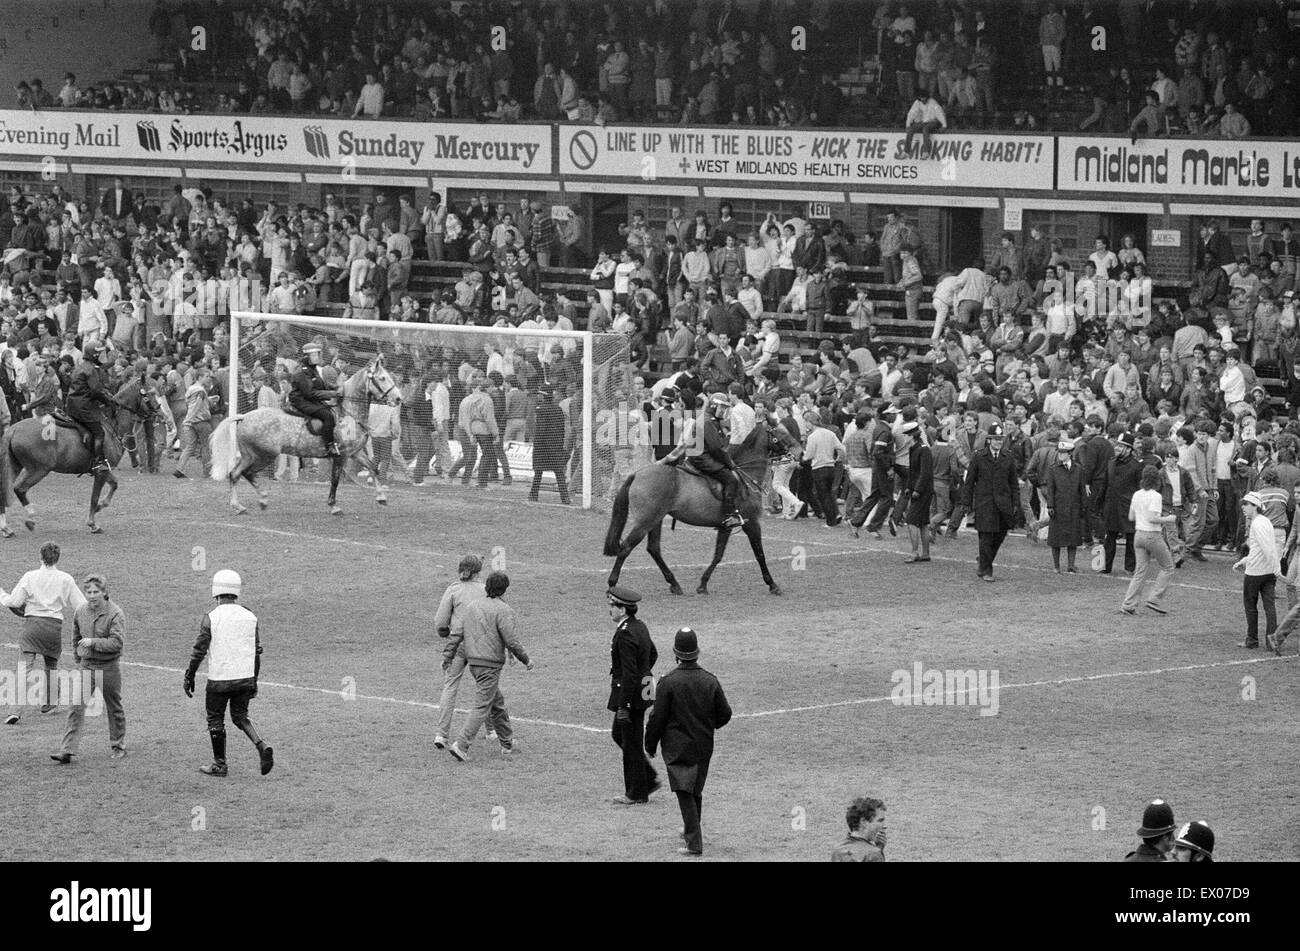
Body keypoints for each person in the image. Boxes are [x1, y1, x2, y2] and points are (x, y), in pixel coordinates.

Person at [644, 627, 732, 857]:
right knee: (695, 790)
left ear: (676, 653)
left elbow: (657, 718)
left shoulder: (668, 682)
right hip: (703, 744)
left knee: (685, 791)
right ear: (697, 652)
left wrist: (650, 745)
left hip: (677, 746)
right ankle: (691, 830)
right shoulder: (710, 680)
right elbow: (725, 714)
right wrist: (707, 726)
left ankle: (694, 843)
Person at [183, 570, 275, 777]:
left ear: (216, 592)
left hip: (219, 680)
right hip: (245, 677)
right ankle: (261, 745)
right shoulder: (250, 616)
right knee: (240, 716)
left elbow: (199, 650)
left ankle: (220, 764)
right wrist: (254, 681)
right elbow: (256, 651)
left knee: (215, 719)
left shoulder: (211, 618)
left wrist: (189, 675)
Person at [445, 571, 532, 762]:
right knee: (482, 705)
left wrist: (448, 655)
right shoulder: (504, 610)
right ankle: (461, 745)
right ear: (504, 589)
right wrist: (526, 659)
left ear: (487, 587)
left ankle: (507, 743)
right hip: (489, 665)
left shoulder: (472, 606)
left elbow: (457, 633)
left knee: (496, 702)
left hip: (473, 663)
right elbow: (512, 641)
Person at [1, 543, 87, 724]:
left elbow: (15, 602)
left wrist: (2, 595)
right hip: (53, 627)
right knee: (51, 667)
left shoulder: (30, 576)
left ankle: (14, 711)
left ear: (40, 556)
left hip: (32, 626)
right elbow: (81, 605)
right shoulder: (66, 579)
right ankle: (49, 704)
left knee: (24, 669)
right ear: (58, 558)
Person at [52, 573, 126, 763]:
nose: (92, 595)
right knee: (76, 706)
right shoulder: (80, 611)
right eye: (89, 592)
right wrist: (79, 658)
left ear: (104, 592)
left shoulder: (115, 613)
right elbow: (75, 637)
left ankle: (118, 746)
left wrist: (93, 642)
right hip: (87, 667)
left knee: (114, 707)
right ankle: (67, 750)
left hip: (109, 667)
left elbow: (117, 643)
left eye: (96, 591)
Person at [607, 585, 660, 805]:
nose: (609, 609)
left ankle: (637, 792)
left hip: (632, 696)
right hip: (643, 690)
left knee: (630, 740)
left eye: (612, 606)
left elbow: (628, 673)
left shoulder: (626, 632)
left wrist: (624, 705)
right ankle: (646, 779)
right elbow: (653, 654)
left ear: (623, 609)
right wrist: (644, 674)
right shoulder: (640, 626)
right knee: (621, 735)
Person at [433, 555, 487, 751]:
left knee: (450, 687)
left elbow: (440, 622)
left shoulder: (453, 590)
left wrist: (445, 633)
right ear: (477, 572)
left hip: (456, 644)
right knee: (485, 687)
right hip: (480, 645)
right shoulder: (485, 590)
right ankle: (491, 731)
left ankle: (441, 734)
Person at [961, 424, 1018, 581]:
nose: (999, 442)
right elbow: (970, 481)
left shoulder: (1008, 456)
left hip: (1003, 504)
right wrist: (966, 502)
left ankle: (984, 561)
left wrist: (1015, 503)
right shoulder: (979, 456)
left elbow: (1013, 482)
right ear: (989, 440)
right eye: (996, 439)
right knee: (986, 536)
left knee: (999, 536)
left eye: (1001, 439)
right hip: (985, 503)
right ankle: (987, 571)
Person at [1120, 466, 1177, 616]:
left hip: (1138, 535)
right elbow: (1153, 518)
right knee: (1168, 567)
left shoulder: (1137, 494)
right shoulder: (1156, 496)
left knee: (1140, 571)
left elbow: (1131, 517)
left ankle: (1128, 604)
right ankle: (1154, 598)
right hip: (1152, 535)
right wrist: (1168, 519)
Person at [680, 391, 743, 528]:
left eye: (726, 408)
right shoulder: (707, 421)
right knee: (731, 480)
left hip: (700, 456)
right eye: (722, 408)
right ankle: (729, 516)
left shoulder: (710, 420)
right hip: (701, 458)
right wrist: (729, 464)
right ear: (714, 406)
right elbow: (716, 449)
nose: (724, 411)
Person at [1235, 491, 1280, 650]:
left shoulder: (1257, 524)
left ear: (1255, 506)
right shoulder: (1266, 521)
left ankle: (1252, 640)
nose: (1243, 507)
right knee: (1270, 608)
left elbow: (1265, 548)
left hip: (1255, 573)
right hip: (1268, 573)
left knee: (1250, 607)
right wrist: (1244, 560)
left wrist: (1275, 567)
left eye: (1246, 504)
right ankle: (1272, 642)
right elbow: (1261, 548)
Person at [64, 341, 118, 471]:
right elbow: (96, 391)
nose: (101, 356)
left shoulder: (81, 366)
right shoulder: (91, 370)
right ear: (94, 355)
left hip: (72, 406)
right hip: (84, 408)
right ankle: (97, 462)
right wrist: (109, 402)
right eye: (99, 354)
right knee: (99, 433)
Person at [288, 341, 340, 456]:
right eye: (314, 355)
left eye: (317, 354)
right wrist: (331, 394)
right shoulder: (301, 372)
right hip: (301, 401)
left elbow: (320, 386)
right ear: (307, 357)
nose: (317, 357)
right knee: (328, 416)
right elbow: (310, 393)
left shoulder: (312, 369)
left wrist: (337, 389)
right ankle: (329, 446)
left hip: (310, 399)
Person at [1044, 435, 1085, 573]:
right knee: (1055, 539)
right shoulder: (1053, 469)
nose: (1061, 455)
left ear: (1070, 454)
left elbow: (1082, 490)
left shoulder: (1078, 469)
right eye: (1059, 452)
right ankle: (1056, 566)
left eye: (1063, 453)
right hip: (1058, 507)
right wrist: (1050, 506)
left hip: (1074, 507)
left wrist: (1083, 506)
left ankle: (1071, 565)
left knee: (1073, 538)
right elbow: (1050, 489)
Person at [528, 384, 570, 504]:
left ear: (543, 395)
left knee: (538, 471)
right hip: (556, 444)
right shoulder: (558, 409)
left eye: (540, 394)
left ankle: (533, 494)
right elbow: (562, 429)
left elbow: (541, 429)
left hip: (543, 445)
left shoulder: (540, 409)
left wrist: (536, 442)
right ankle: (565, 497)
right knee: (559, 472)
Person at [902, 420, 934, 563]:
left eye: (906, 435)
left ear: (911, 435)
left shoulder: (923, 449)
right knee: (923, 522)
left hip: (923, 491)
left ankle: (915, 552)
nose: (905, 438)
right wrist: (909, 486)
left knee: (911, 521)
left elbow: (925, 473)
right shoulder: (916, 448)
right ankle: (925, 553)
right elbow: (914, 472)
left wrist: (917, 490)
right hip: (920, 489)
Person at [830, 796, 888, 862]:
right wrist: (878, 852)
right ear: (863, 822)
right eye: (880, 820)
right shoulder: (873, 854)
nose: (884, 826)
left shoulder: (838, 850)